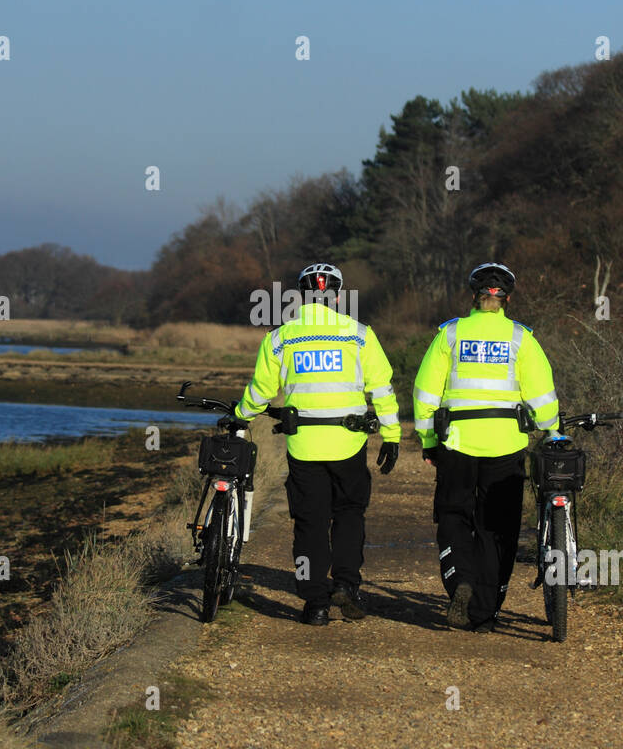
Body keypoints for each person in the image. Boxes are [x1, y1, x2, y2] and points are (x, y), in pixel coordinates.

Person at [234, 263, 401, 625]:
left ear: (301, 296)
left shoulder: (281, 337)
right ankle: (346, 584)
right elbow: (382, 389)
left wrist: (240, 416)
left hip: (304, 446)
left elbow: (261, 392)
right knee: (349, 515)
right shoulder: (359, 334)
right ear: (338, 296)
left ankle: (315, 604)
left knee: (309, 522)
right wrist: (391, 434)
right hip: (349, 444)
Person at [413, 263, 559, 632]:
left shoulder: (450, 334)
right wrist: (550, 432)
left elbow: (425, 393)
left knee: (454, 516)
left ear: (474, 299)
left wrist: (429, 440)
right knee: (499, 528)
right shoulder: (521, 338)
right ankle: (484, 612)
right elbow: (542, 396)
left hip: (457, 443)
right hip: (506, 445)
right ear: (506, 300)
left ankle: (460, 579)